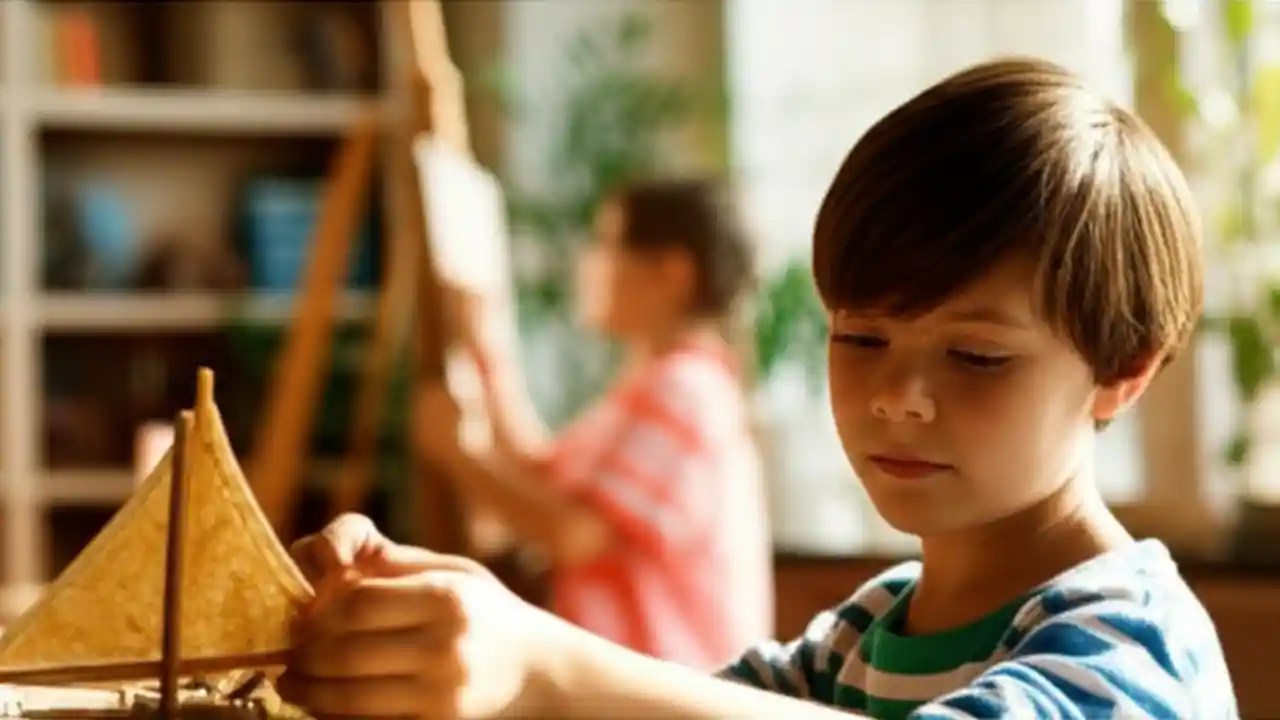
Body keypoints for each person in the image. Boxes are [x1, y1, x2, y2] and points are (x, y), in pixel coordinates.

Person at [279, 57, 1237, 719]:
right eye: (860, 335)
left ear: (1123, 371)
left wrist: (538, 665)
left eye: (977, 356)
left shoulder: (1131, 644)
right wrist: (442, 604)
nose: (898, 394)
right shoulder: (860, 637)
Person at [413, 178, 773, 671]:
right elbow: (542, 473)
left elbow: (572, 533)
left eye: (606, 244)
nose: (589, 262)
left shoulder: (682, 391)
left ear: (672, 273)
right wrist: (485, 342)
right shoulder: (665, 382)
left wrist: (460, 456)